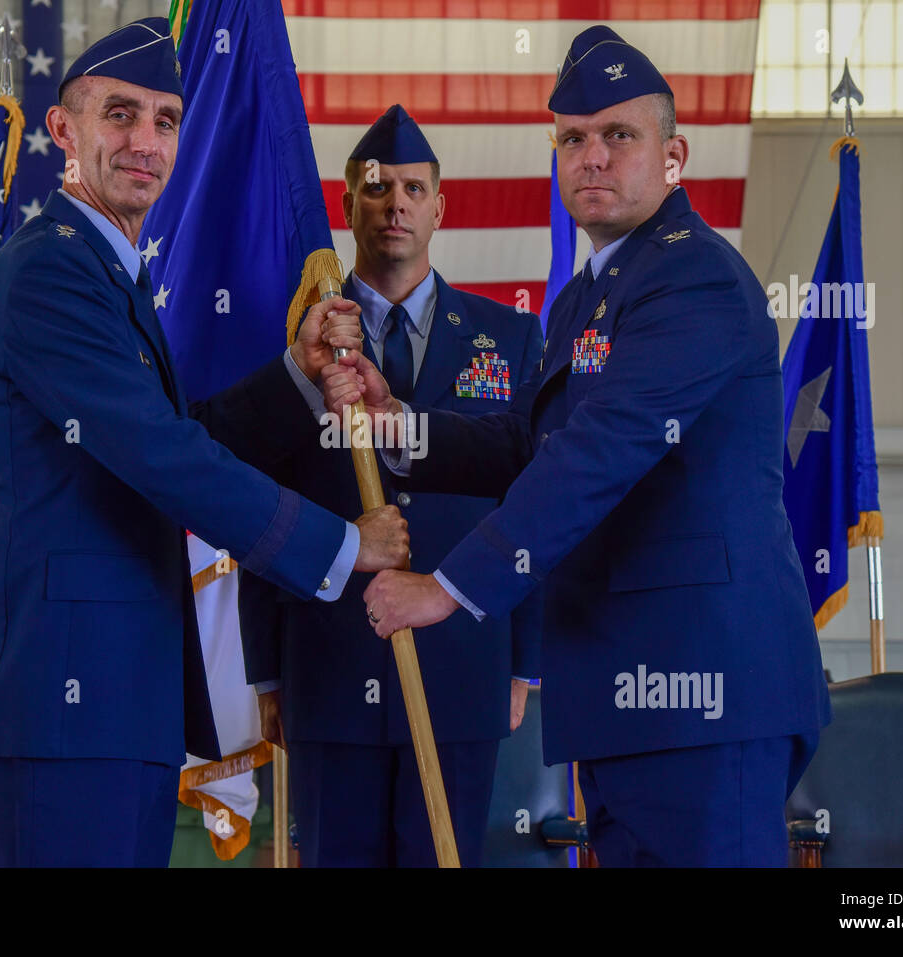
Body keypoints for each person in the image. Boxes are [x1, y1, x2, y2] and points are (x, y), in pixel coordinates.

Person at [323, 26, 831, 867]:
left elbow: (597, 451)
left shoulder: (695, 277)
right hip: (620, 692)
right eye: (572, 139)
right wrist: (397, 424)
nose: (591, 157)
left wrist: (445, 587)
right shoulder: (588, 295)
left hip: (704, 692)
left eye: (618, 135)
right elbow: (532, 439)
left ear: (674, 156)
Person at [0, 18, 408, 867]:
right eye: (120, 114)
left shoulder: (112, 270)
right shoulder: (48, 270)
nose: (146, 142)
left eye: (165, 121)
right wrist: (343, 546)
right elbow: (165, 458)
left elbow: (169, 436)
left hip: (119, 710)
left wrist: (299, 373)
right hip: (59, 719)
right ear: (63, 129)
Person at [238, 105, 544, 867]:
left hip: (462, 658)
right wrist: (265, 669)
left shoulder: (510, 337)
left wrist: (524, 659)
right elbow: (258, 501)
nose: (395, 204)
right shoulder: (297, 342)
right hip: (328, 661)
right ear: (347, 206)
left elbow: (538, 500)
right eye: (376, 189)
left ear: (441, 206)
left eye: (413, 188)